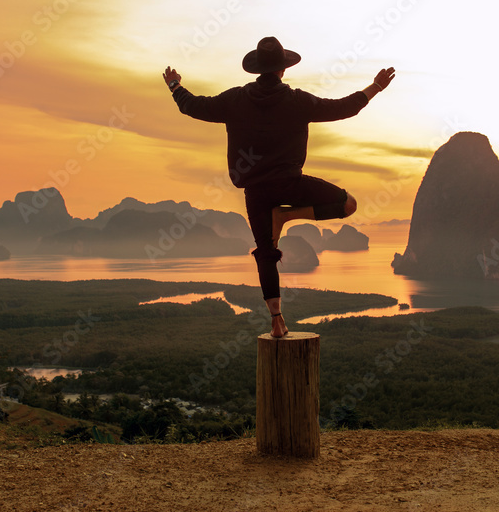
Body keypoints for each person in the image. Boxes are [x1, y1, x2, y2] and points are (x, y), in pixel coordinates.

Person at [164, 36, 394, 337]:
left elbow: (193, 106)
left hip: (256, 191)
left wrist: (174, 85)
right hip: (290, 185)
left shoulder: (235, 100)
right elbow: (343, 108)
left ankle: (276, 320)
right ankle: (287, 216)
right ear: (283, 69)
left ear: (258, 69)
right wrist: (375, 87)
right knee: (347, 204)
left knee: (266, 251)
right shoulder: (297, 101)